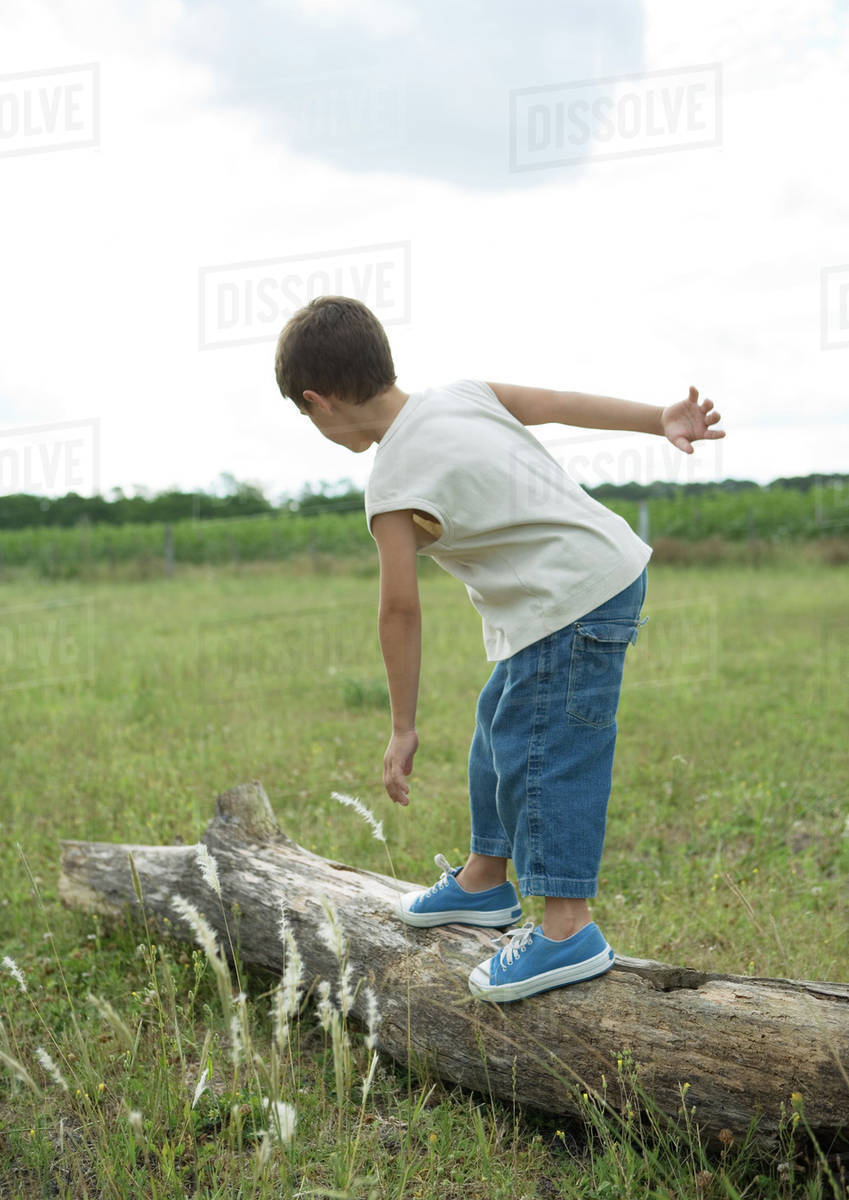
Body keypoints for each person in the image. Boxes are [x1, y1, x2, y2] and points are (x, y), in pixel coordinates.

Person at [274, 295, 724, 1003]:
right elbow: (555, 402)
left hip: (570, 597)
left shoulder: (392, 483)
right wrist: (656, 417)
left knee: (547, 753)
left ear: (317, 401)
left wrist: (401, 726)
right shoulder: (460, 395)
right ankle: (484, 879)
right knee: (499, 725)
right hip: (573, 590)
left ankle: (566, 931)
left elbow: (398, 609)